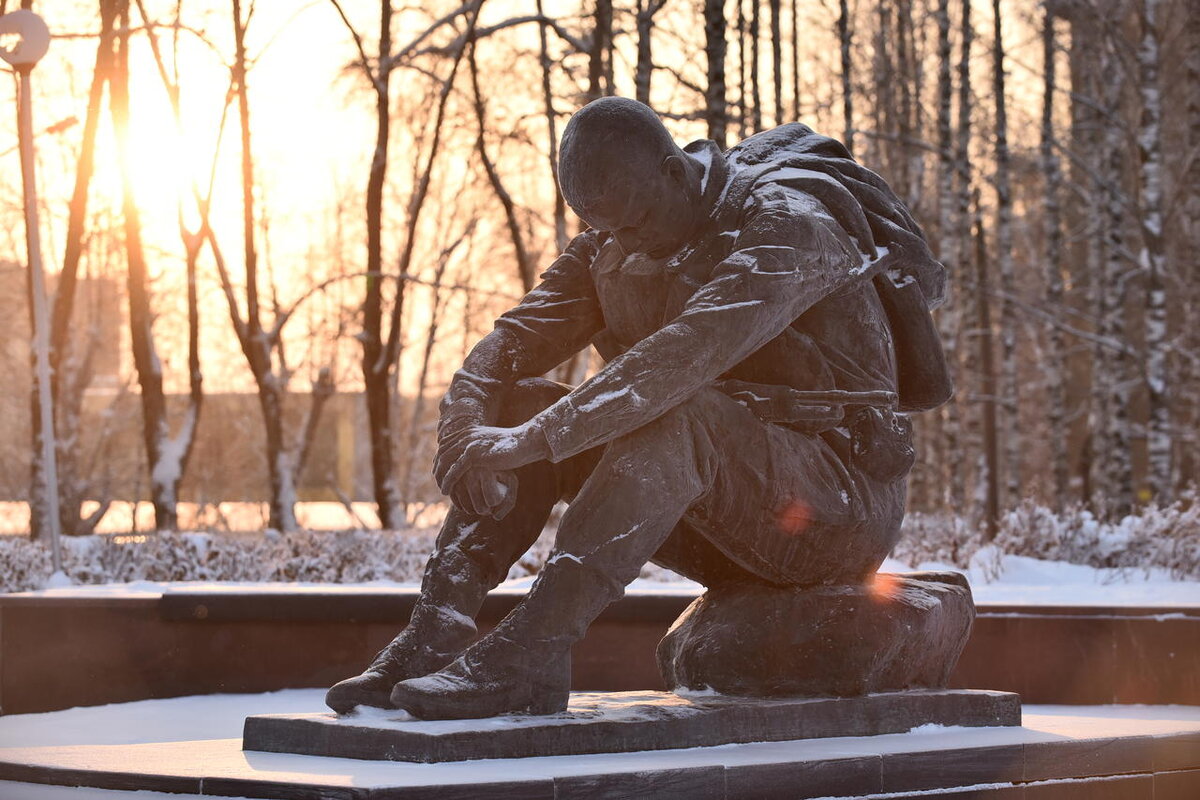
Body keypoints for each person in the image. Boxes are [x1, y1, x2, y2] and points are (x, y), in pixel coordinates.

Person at [326, 96, 950, 720]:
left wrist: (535, 438)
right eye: (609, 228)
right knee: (516, 404)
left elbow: (688, 352)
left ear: (673, 172)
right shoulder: (614, 241)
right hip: (722, 507)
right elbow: (513, 343)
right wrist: (462, 429)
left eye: (636, 220)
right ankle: (433, 638)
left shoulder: (788, 225)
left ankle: (527, 652)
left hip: (835, 507)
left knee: (674, 416)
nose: (625, 242)